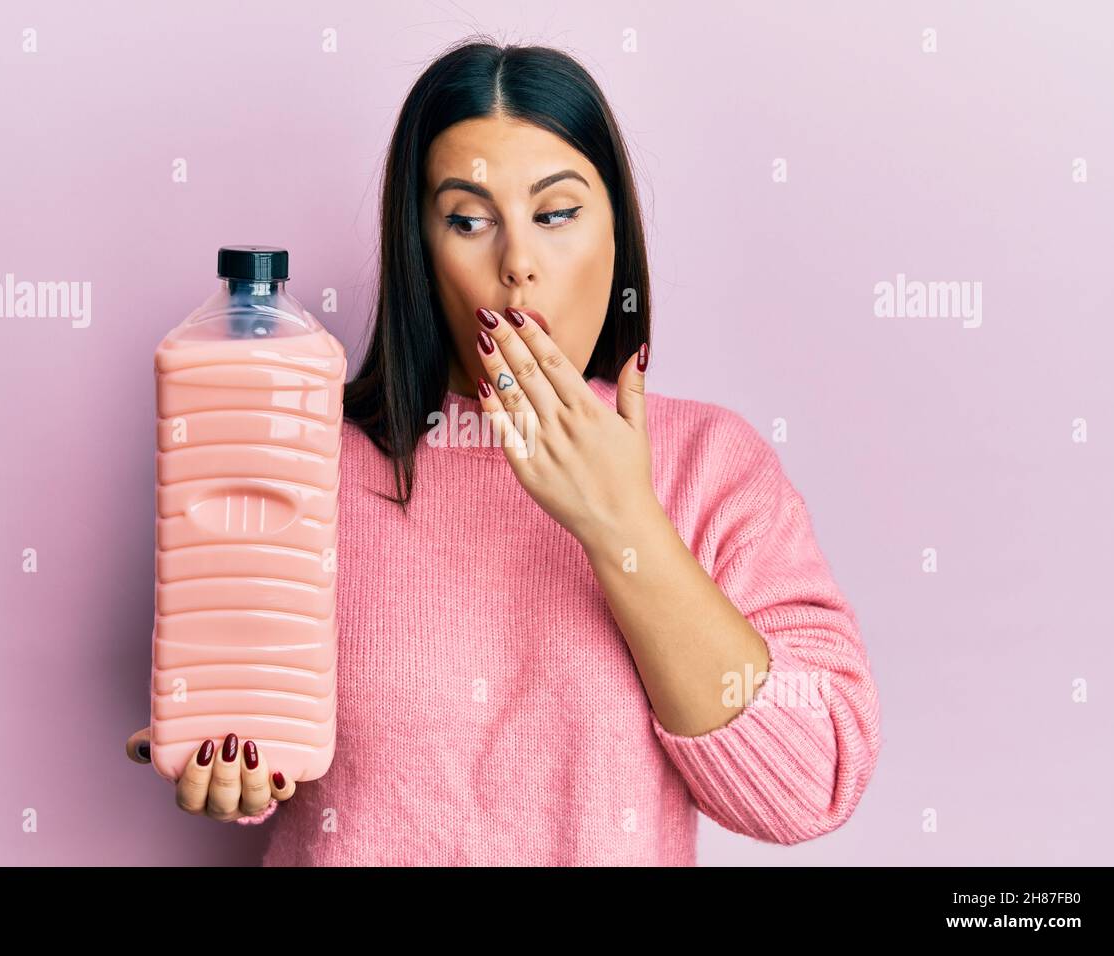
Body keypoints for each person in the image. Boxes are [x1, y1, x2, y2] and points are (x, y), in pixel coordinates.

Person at [126, 37, 883, 865]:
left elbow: (809, 785)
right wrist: (233, 760)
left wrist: (622, 521)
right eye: (469, 221)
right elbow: (247, 716)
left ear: (617, 235)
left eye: (556, 214)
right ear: (420, 248)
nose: (518, 264)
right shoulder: (313, 461)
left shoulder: (713, 466)